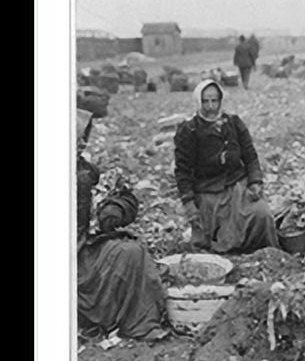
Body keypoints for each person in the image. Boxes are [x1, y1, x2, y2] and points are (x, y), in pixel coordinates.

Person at [77, 109, 168, 341]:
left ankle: (140, 322)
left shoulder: (87, 171)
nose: (81, 142)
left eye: (84, 137)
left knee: (132, 252)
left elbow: (122, 194)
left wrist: (114, 208)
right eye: (75, 136)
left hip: (85, 250)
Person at [174, 79, 280, 254]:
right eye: (205, 101)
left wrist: (255, 182)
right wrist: (189, 203)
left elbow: (250, 156)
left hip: (237, 187)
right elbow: (183, 170)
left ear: (220, 101)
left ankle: (263, 251)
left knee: (262, 214)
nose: (210, 107)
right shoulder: (189, 130)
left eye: (214, 101)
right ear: (198, 102)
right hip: (207, 192)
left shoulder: (233, 123)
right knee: (210, 239)